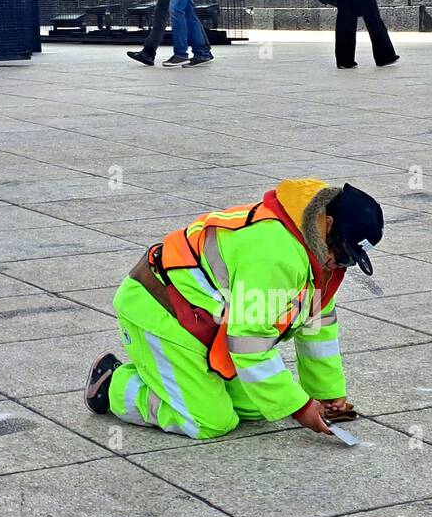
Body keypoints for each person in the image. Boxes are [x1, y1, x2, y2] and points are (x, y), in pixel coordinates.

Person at [84, 179, 385, 440]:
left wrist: (327, 392)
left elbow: (317, 326)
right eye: (343, 254)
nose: (339, 265)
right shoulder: (276, 253)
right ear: (327, 224)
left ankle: (183, 382)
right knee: (210, 421)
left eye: (349, 260)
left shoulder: (313, 247)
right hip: (161, 312)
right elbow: (249, 341)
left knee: (259, 406)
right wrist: (302, 407)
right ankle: (113, 383)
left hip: (206, 325)